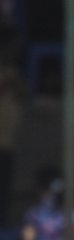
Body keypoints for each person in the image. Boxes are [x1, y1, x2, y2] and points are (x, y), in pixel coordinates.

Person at [0, 26, 26, 225]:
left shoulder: (16, 76)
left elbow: (27, 95)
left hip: (7, 144)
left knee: (4, 192)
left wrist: (15, 83)